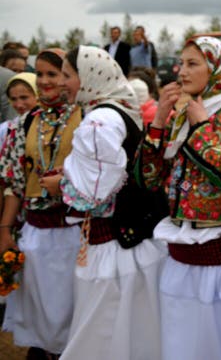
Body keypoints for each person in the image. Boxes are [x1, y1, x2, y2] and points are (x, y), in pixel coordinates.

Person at [135, 36, 221, 360]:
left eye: (193, 64)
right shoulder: (181, 116)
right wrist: (160, 119)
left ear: (215, 68)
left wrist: (203, 125)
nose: (181, 71)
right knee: (178, 345)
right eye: (181, 63)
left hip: (219, 263)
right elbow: (147, 179)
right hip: (177, 257)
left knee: (214, 345)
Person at [42, 46, 165, 360]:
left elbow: (95, 193)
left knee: (103, 332)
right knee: (128, 329)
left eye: (68, 75)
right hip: (127, 241)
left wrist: (61, 184)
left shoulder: (100, 119)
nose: (62, 83)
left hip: (113, 246)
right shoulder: (115, 110)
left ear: (90, 77)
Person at [0, 50, 82, 359]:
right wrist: (5, 229)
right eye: (42, 74)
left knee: (74, 314)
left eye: (56, 74)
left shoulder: (86, 116)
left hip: (76, 233)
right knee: (44, 318)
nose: (47, 81)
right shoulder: (23, 124)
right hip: (37, 235)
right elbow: (13, 183)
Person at [0, 72, 38, 147]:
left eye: (24, 97)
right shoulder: (5, 130)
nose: (19, 105)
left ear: (38, 95)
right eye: (13, 99)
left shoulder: (49, 126)